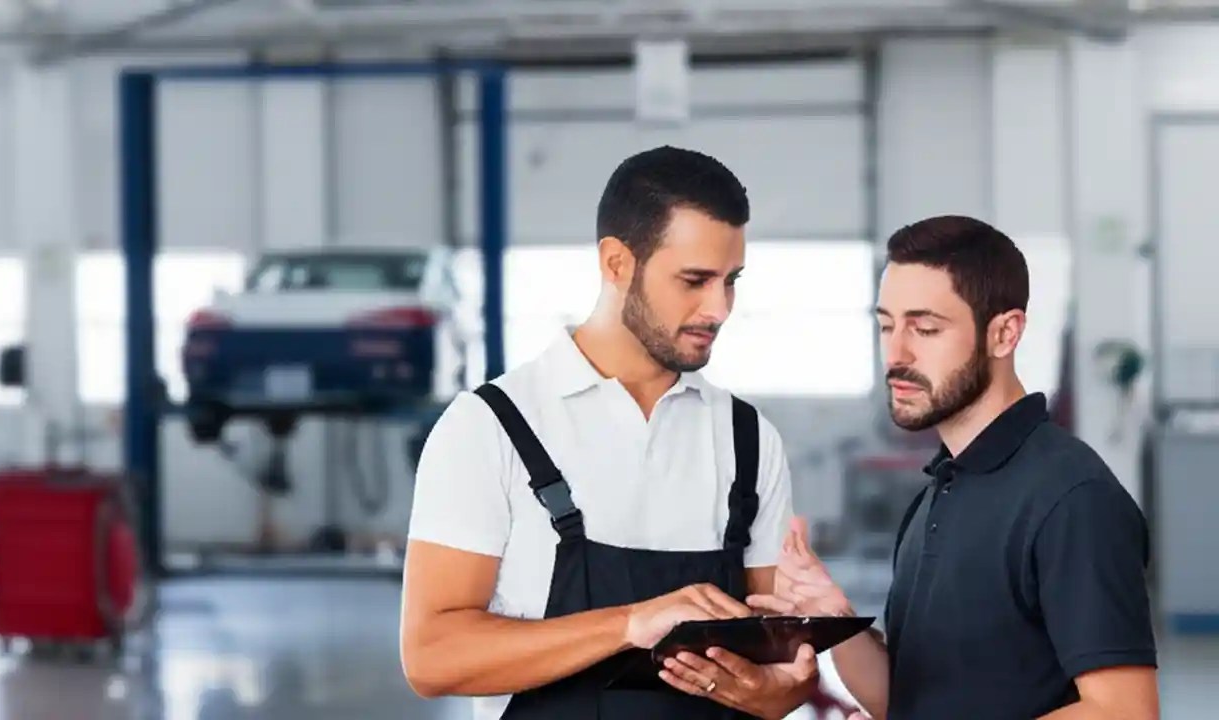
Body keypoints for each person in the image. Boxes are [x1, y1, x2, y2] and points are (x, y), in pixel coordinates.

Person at [399, 146, 819, 720]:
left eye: (731, 281)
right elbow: (431, 658)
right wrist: (629, 624)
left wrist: (780, 692)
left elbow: (778, 664)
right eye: (694, 280)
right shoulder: (489, 428)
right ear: (617, 263)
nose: (719, 309)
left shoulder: (747, 439)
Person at [748, 216, 1160, 719]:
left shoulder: (1071, 498)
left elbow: (1124, 712)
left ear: (1004, 333)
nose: (896, 354)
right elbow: (902, 702)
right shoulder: (937, 493)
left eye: (925, 329)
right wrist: (832, 617)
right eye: (885, 326)